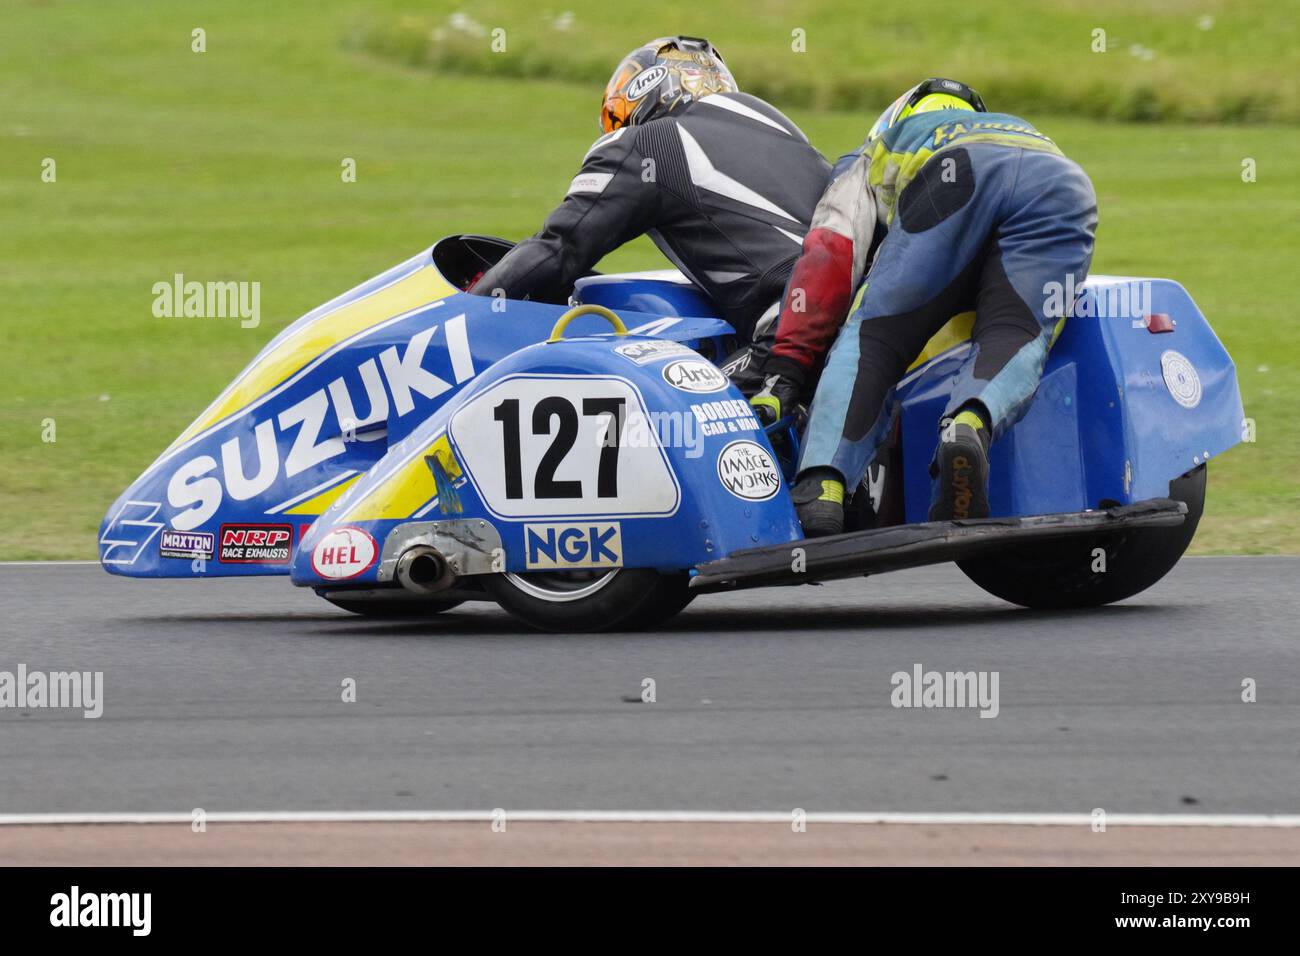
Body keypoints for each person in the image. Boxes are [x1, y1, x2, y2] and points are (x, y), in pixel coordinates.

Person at [750, 78, 1098, 535]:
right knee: (1018, 331)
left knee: (876, 336)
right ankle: (968, 425)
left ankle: (822, 487)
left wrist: (788, 367)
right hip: (1064, 181)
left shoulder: (881, 145)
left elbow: (830, 253)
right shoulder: (1019, 129)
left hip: (956, 173)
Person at [469, 36, 830, 361]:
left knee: (648, 413)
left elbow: (559, 247)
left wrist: (468, 308)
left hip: (787, 332)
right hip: (857, 308)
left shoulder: (649, 142)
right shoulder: (775, 124)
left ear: (643, 94)